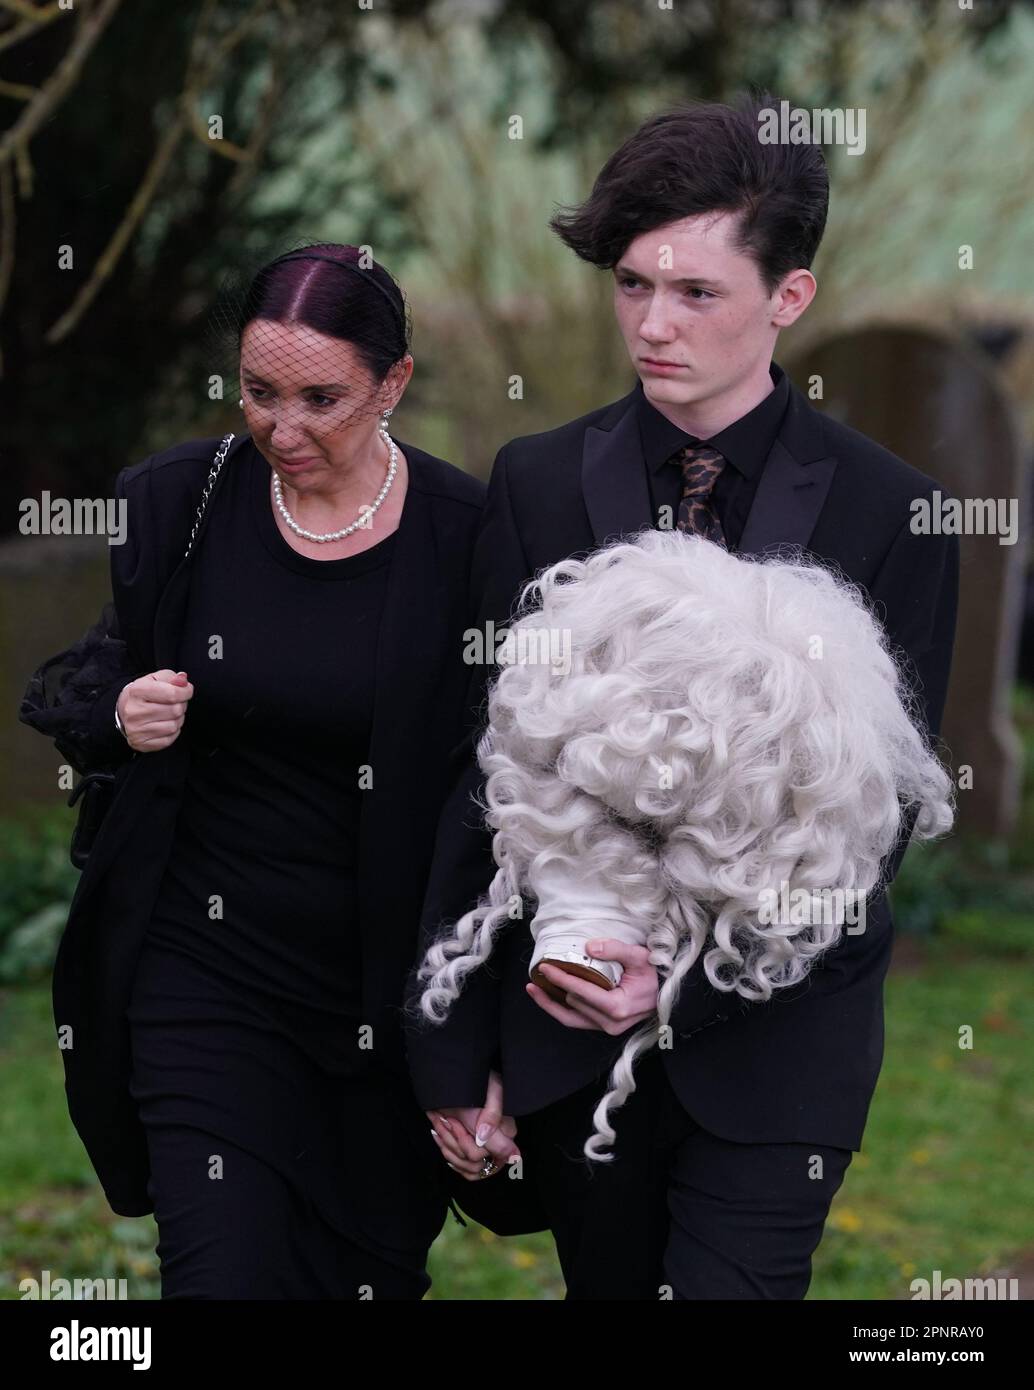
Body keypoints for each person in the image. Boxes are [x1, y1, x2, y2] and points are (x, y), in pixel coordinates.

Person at [403, 94, 960, 1299]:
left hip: (776, 1043)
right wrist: (449, 1038)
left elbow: (883, 814)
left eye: (696, 292)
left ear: (787, 298)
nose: (652, 325)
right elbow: (477, 764)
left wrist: (696, 978)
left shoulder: (890, 509)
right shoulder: (536, 482)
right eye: (631, 285)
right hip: (570, 1020)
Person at [20, 242, 486, 1299]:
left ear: (394, 383)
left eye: (322, 398)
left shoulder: (465, 535)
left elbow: (499, 778)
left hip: (380, 992)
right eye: (259, 393)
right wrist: (121, 710)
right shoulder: (182, 501)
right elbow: (77, 683)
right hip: (205, 974)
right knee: (220, 1270)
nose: (283, 429)